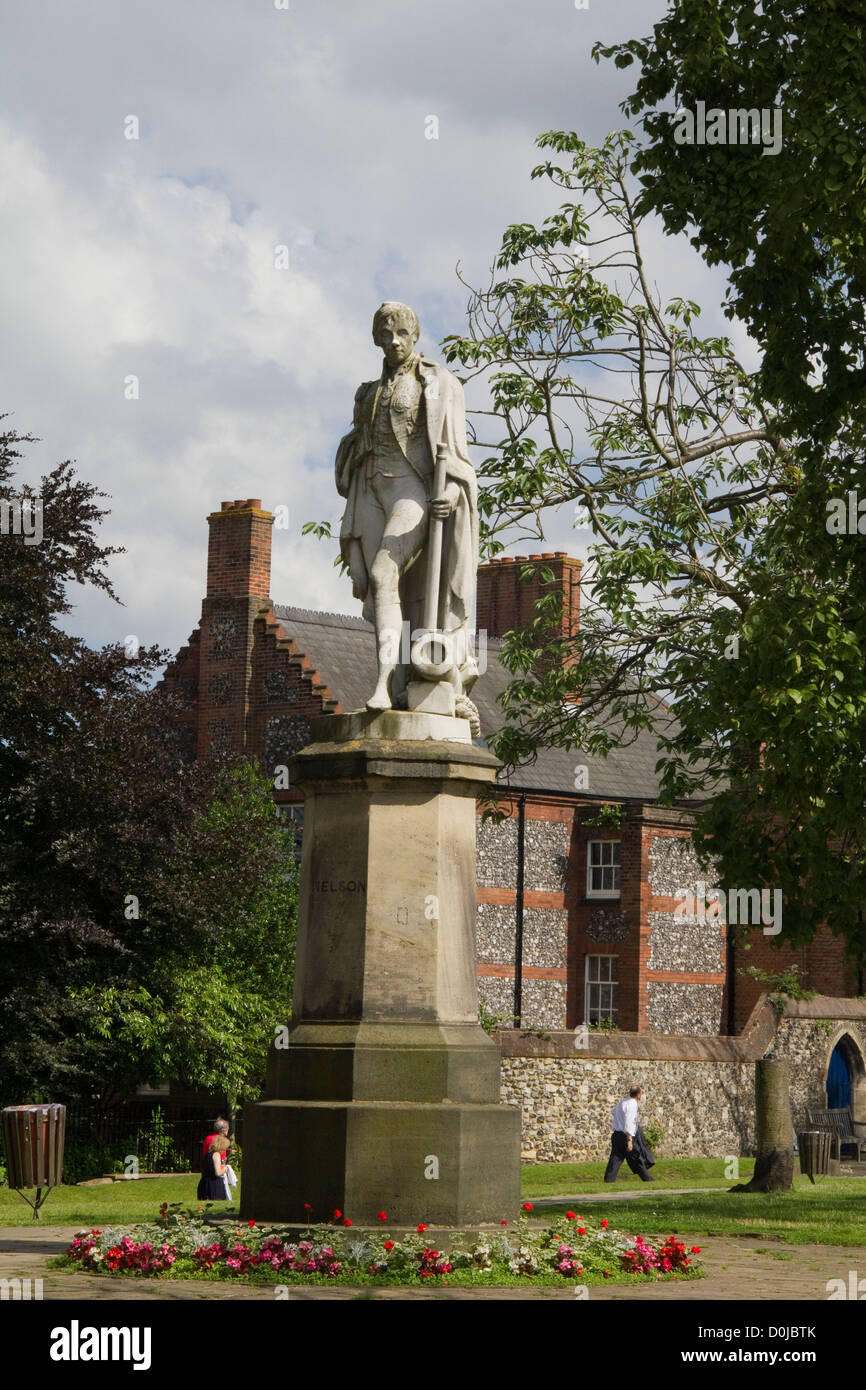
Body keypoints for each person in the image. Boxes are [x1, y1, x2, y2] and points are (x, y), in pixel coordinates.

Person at [334, 301, 479, 717]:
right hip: (371, 492)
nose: (394, 341)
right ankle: (399, 683)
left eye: (401, 334)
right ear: (377, 339)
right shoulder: (367, 392)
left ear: (415, 337)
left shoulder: (439, 383)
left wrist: (452, 492)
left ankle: (381, 685)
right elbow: (357, 448)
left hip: (412, 493)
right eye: (385, 334)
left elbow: (455, 453)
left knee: (383, 572)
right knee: (379, 585)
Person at [603, 1085, 655, 1182]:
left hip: (616, 1134)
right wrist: (629, 1140)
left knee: (615, 1159)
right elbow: (629, 1122)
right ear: (639, 1095)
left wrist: (619, 1122)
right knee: (636, 1158)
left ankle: (608, 1180)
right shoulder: (632, 1104)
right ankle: (648, 1179)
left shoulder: (622, 1102)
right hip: (625, 1136)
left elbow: (614, 1112)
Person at [197, 1134, 230, 1201]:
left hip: (204, 1184)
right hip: (214, 1186)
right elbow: (218, 1173)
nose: (225, 1149)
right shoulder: (216, 1155)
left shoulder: (208, 1154)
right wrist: (225, 1169)